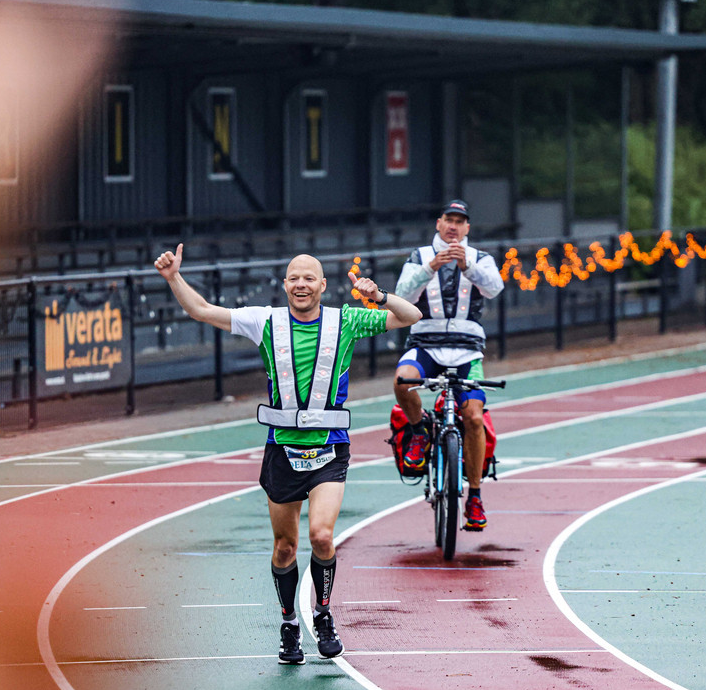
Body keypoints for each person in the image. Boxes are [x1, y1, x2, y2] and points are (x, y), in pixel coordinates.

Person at [154, 244, 420, 665]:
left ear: (323, 285)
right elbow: (203, 310)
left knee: (322, 536)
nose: (301, 284)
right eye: (294, 277)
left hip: (330, 449)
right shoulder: (265, 321)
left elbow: (410, 317)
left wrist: (379, 296)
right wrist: (173, 278)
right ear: (284, 285)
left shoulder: (346, 320)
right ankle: (289, 623)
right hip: (283, 450)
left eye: (309, 278)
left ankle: (323, 613)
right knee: (285, 548)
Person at [393, 199, 504, 531]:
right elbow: (401, 295)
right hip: (425, 343)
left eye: (460, 221)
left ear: (467, 227)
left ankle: (474, 495)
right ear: (438, 223)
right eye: (449, 220)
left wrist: (467, 265)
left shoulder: (481, 258)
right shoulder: (419, 256)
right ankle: (417, 430)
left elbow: (494, 288)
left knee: (472, 417)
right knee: (403, 379)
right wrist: (430, 268)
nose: (454, 226)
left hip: (467, 349)